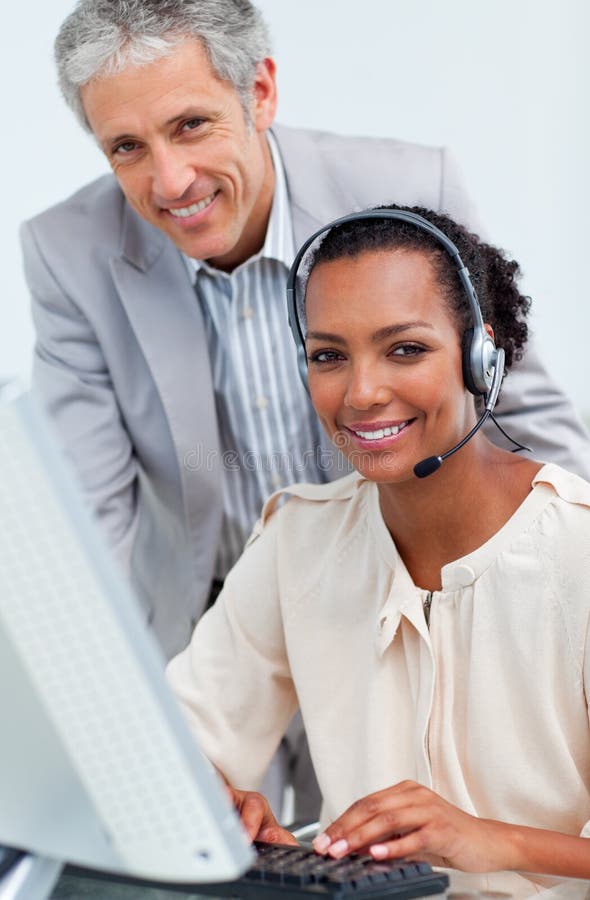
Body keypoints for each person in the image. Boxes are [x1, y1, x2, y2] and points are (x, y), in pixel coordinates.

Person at [21, 0, 590, 822]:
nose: (168, 181)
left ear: (261, 92)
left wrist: (536, 606)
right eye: (127, 148)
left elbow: (523, 413)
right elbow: (87, 528)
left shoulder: (405, 191)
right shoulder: (69, 252)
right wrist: (115, 743)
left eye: (191, 126)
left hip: (412, 597)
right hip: (217, 615)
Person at [167, 205, 590, 878]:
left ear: (483, 358)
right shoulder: (298, 540)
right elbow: (174, 743)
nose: (361, 393)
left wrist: (489, 841)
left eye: (406, 349)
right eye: (328, 356)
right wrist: (214, 799)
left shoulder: (578, 552)